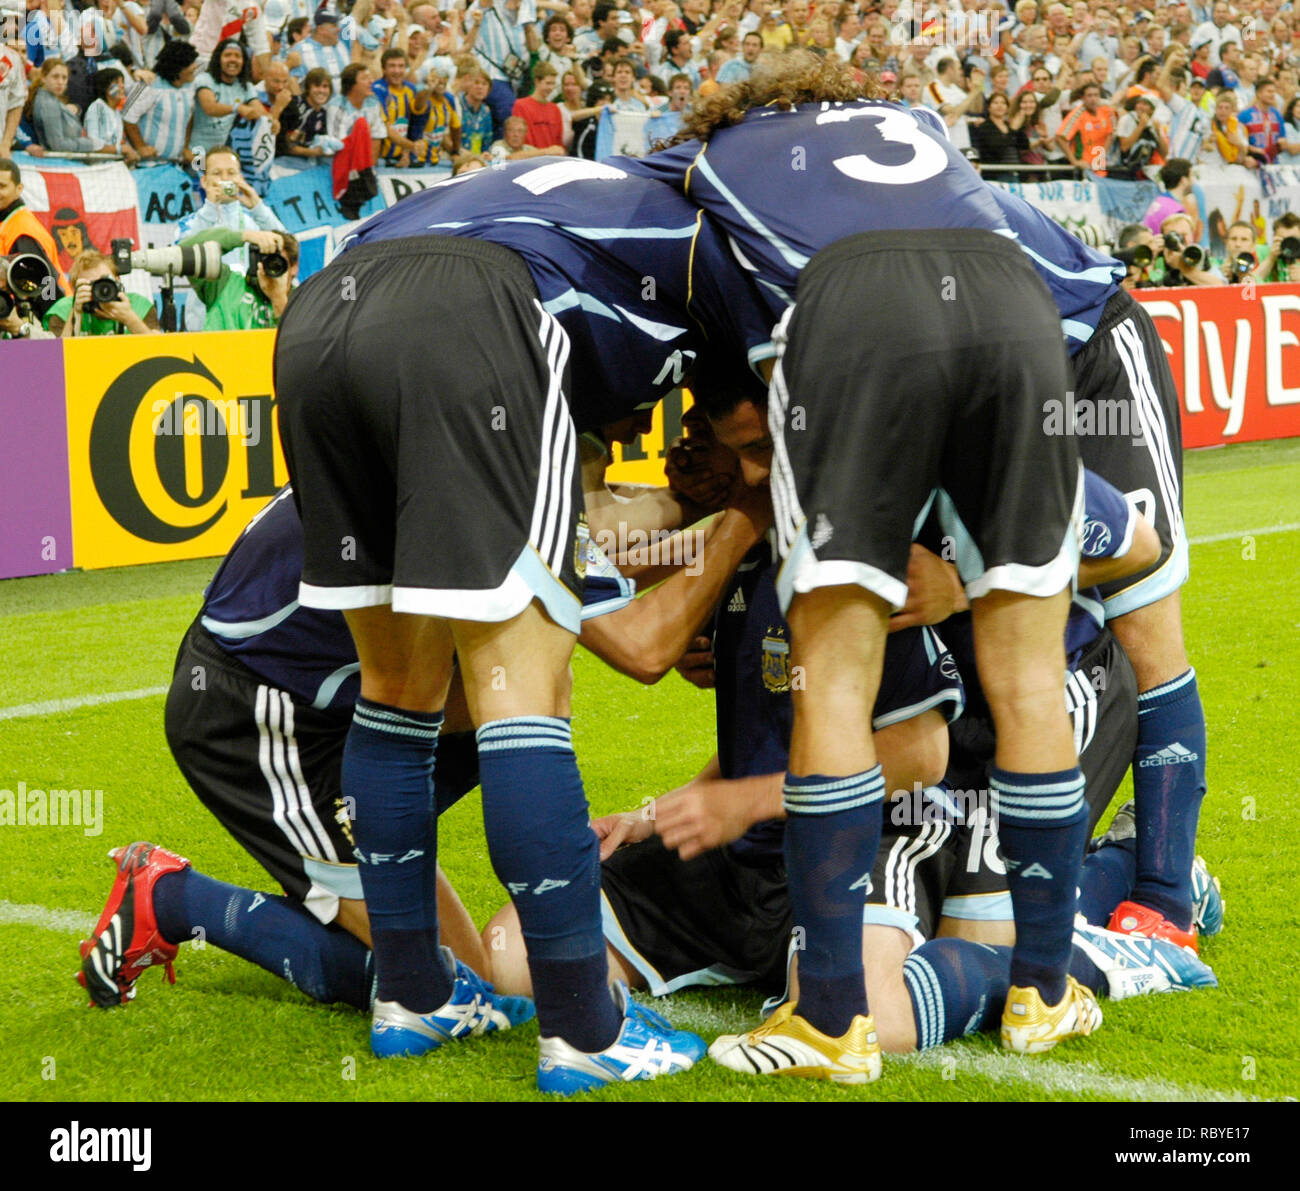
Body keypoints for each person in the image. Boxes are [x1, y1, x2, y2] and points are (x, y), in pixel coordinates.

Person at [624, 53, 1096, 1079]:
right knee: (1026, 671)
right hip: (1012, 301)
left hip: (854, 309)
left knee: (834, 671)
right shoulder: (914, 123)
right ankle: (1045, 992)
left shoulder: (715, 153)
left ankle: (830, 1017)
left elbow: (651, 246)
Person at [273, 155, 768, 1092]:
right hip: (475, 317)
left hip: (320, 308)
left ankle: (413, 995)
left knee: (399, 688)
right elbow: (751, 399)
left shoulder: (576, 191)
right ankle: (585, 1026)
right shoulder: (718, 226)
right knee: (523, 690)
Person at [176, 224, 298, 329]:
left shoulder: (303, 301)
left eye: (277, 263)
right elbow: (184, 253)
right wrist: (244, 236)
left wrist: (278, 300)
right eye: (265, 258)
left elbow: (299, 347)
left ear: (294, 268)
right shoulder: (224, 283)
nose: (269, 266)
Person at [44, 249, 160, 336]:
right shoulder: (61, 311)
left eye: (105, 281)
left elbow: (158, 351)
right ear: (76, 289)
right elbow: (55, 360)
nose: (101, 290)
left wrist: (129, 318)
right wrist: (76, 313)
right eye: (92, 285)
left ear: (118, 280)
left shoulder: (140, 306)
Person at [0, 157, 68, 303]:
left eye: (2, 186)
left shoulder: (21, 229)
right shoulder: (9, 222)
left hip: (50, 316)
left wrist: (47, 323)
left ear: (19, 189)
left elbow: (43, 285)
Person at [122, 37, 200, 164]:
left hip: (174, 164)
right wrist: (141, 147)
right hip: (148, 165)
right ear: (178, 68)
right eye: (191, 63)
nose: (195, 67)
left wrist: (184, 147)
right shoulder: (149, 85)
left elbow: (189, 118)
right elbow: (127, 117)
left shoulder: (190, 88)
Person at [29, 59, 100, 152]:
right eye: (55, 77)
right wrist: (90, 144)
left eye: (64, 78)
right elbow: (57, 145)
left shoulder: (51, 100)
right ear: (43, 77)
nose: (60, 82)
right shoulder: (48, 104)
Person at [1057, 80, 1116, 173]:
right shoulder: (1077, 114)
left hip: (1100, 169)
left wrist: (1100, 158)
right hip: (1084, 170)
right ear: (1083, 98)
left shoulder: (1106, 111)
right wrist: (1074, 161)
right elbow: (1060, 137)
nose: (1093, 99)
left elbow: (1110, 135)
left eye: (1096, 95)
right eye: (1089, 95)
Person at [83, 68, 137, 161]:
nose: (122, 86)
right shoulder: (97, 108)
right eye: (117, 83)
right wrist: (121, 149)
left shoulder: (116, 112)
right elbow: (94, 144)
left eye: (122, 82)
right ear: (105, 87)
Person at [1109, 93, 1167, 179]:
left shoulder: (1153, 124)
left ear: (1152, 110)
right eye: (1139, 103)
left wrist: (1159, 132)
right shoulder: (1127, 119)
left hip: (1141, 171)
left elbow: (1164, 154)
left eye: (1145, 104)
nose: (1140, 106)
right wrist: (1140, 127)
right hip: (1119, 168)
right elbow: (1124, 147)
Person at [512, 59, 566, 149]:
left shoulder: (555, 109)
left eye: (553, 84)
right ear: (537, 81)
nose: (551, 88)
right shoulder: (521, 105)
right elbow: (522, 139)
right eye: (548, 83)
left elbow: (558, 140)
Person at [971, 91, 1028, 176]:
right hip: (996, 174)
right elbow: (997, 148)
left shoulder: (1009, 125)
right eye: (995, 103)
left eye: (1003, 103)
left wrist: (1019, 127)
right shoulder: (984, 126)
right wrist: (1013, 130)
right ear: (989, 107)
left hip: (1015, 173)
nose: (999, 106)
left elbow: (1025, 146)